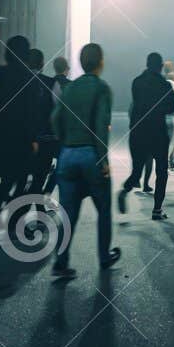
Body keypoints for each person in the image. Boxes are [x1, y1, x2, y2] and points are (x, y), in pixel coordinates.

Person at [50, 42, 121, 279]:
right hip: (91, 155)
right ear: (101, 62)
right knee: (103, 210)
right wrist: (103, 159)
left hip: (67, 155)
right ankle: (103, 257)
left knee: (68, 212)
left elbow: (55, 119)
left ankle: (61, 261)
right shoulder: (102, 88)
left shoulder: (69, 88)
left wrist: (65, 141)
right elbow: (101, 125)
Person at [0, 35, 40, 218]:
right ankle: (12, 217)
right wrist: (33, 138)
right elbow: (31, 111)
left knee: (7, 173)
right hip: (21, 136)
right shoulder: (28, 78)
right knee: (22, 178)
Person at [120, 52, 174, 220]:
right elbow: (170, 109)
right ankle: (157, 210)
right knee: (161, 171)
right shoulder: (165, 86)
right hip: (157, 133)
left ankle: (125, 190)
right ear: (160, 67)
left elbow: (136, 103)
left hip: (138, 132)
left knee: (137, 172)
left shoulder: (136, 82)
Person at [26, 47, 59, 197]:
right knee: (40, 178)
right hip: (45, 139)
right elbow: (59, 111)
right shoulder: (52, 83)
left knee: (20, 179)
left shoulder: (18, 83)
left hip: (21, 138)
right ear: (42, 64)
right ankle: (35, 210)